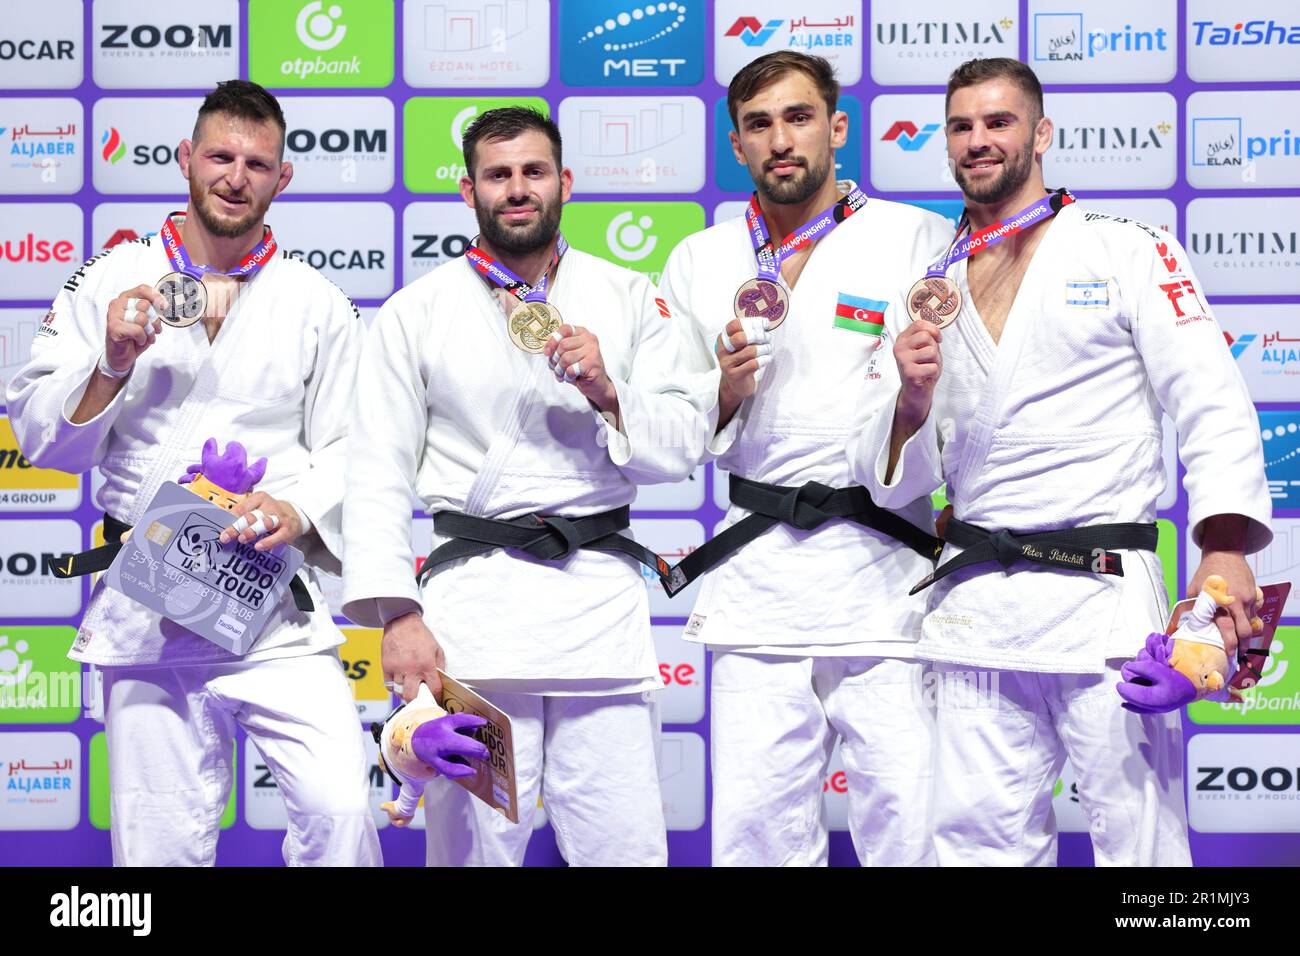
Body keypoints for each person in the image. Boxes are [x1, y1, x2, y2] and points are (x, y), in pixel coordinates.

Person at [855, 57, 1272, 866]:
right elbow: (893, 478)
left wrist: (1222, 549)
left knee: (1141, 841)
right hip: (977, 605)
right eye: (962, 126)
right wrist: (904, 404)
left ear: (1041, 133)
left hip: (1102, 599)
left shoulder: (1129, 249)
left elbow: (1212, 399)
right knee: (975, 845)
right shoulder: (926, 284)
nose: (979, 141)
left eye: (999, 121)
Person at [6, 80, 381, 867]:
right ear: (185, 159)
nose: (235, 176)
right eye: (219, 155)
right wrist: (108, 366)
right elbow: (41, 441)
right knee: (159, 847)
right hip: (148, 606)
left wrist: (300, 506)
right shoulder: (109, 277)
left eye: (256, 162)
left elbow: (356, 445)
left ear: (283, 179)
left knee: (342, 810)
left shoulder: (318, 301)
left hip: (268, 598)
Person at [341, 107, 711, 867]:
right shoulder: (417, 311)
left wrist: (610, 391)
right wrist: (397, 617)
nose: (517, 189)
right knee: (470, 855)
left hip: (597, 615)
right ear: (468, 189)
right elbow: (373, 471)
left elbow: (681, 448)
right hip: (473, 620)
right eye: (498, 174)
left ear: (564, 182)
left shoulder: (628, 295)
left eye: (533, 172)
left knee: (626, 852)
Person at [658, 51, 951, 866]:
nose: (780, 139)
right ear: (737, 144)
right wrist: (719, 392)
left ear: (837, 127)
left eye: (798, 117)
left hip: (885, 575)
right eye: (759, 125)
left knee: (910, 824)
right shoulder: (701, 258)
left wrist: (912, 402)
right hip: (761, 580)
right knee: (755, 832)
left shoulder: (916, 237)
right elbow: (671, 423)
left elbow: (951, 407)